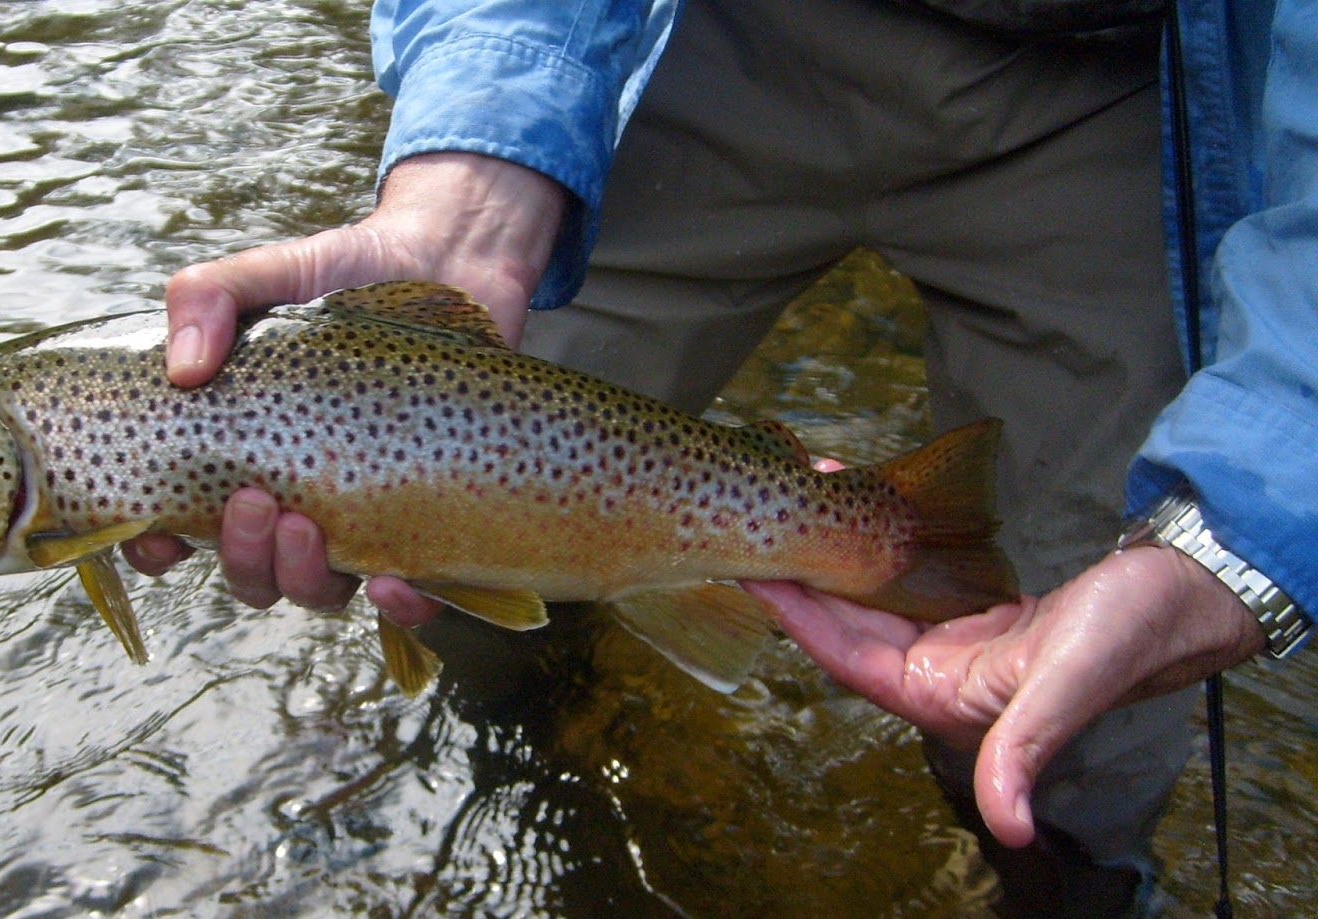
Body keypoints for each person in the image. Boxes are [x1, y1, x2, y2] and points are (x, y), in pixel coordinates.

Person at [125, 0, 1317, 913]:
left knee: (1081, 692)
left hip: (1138, 71)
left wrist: (1242, 545)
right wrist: (481, 159)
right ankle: (535, 753)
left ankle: (1063, 885)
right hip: (698, 34)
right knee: (440, 543)